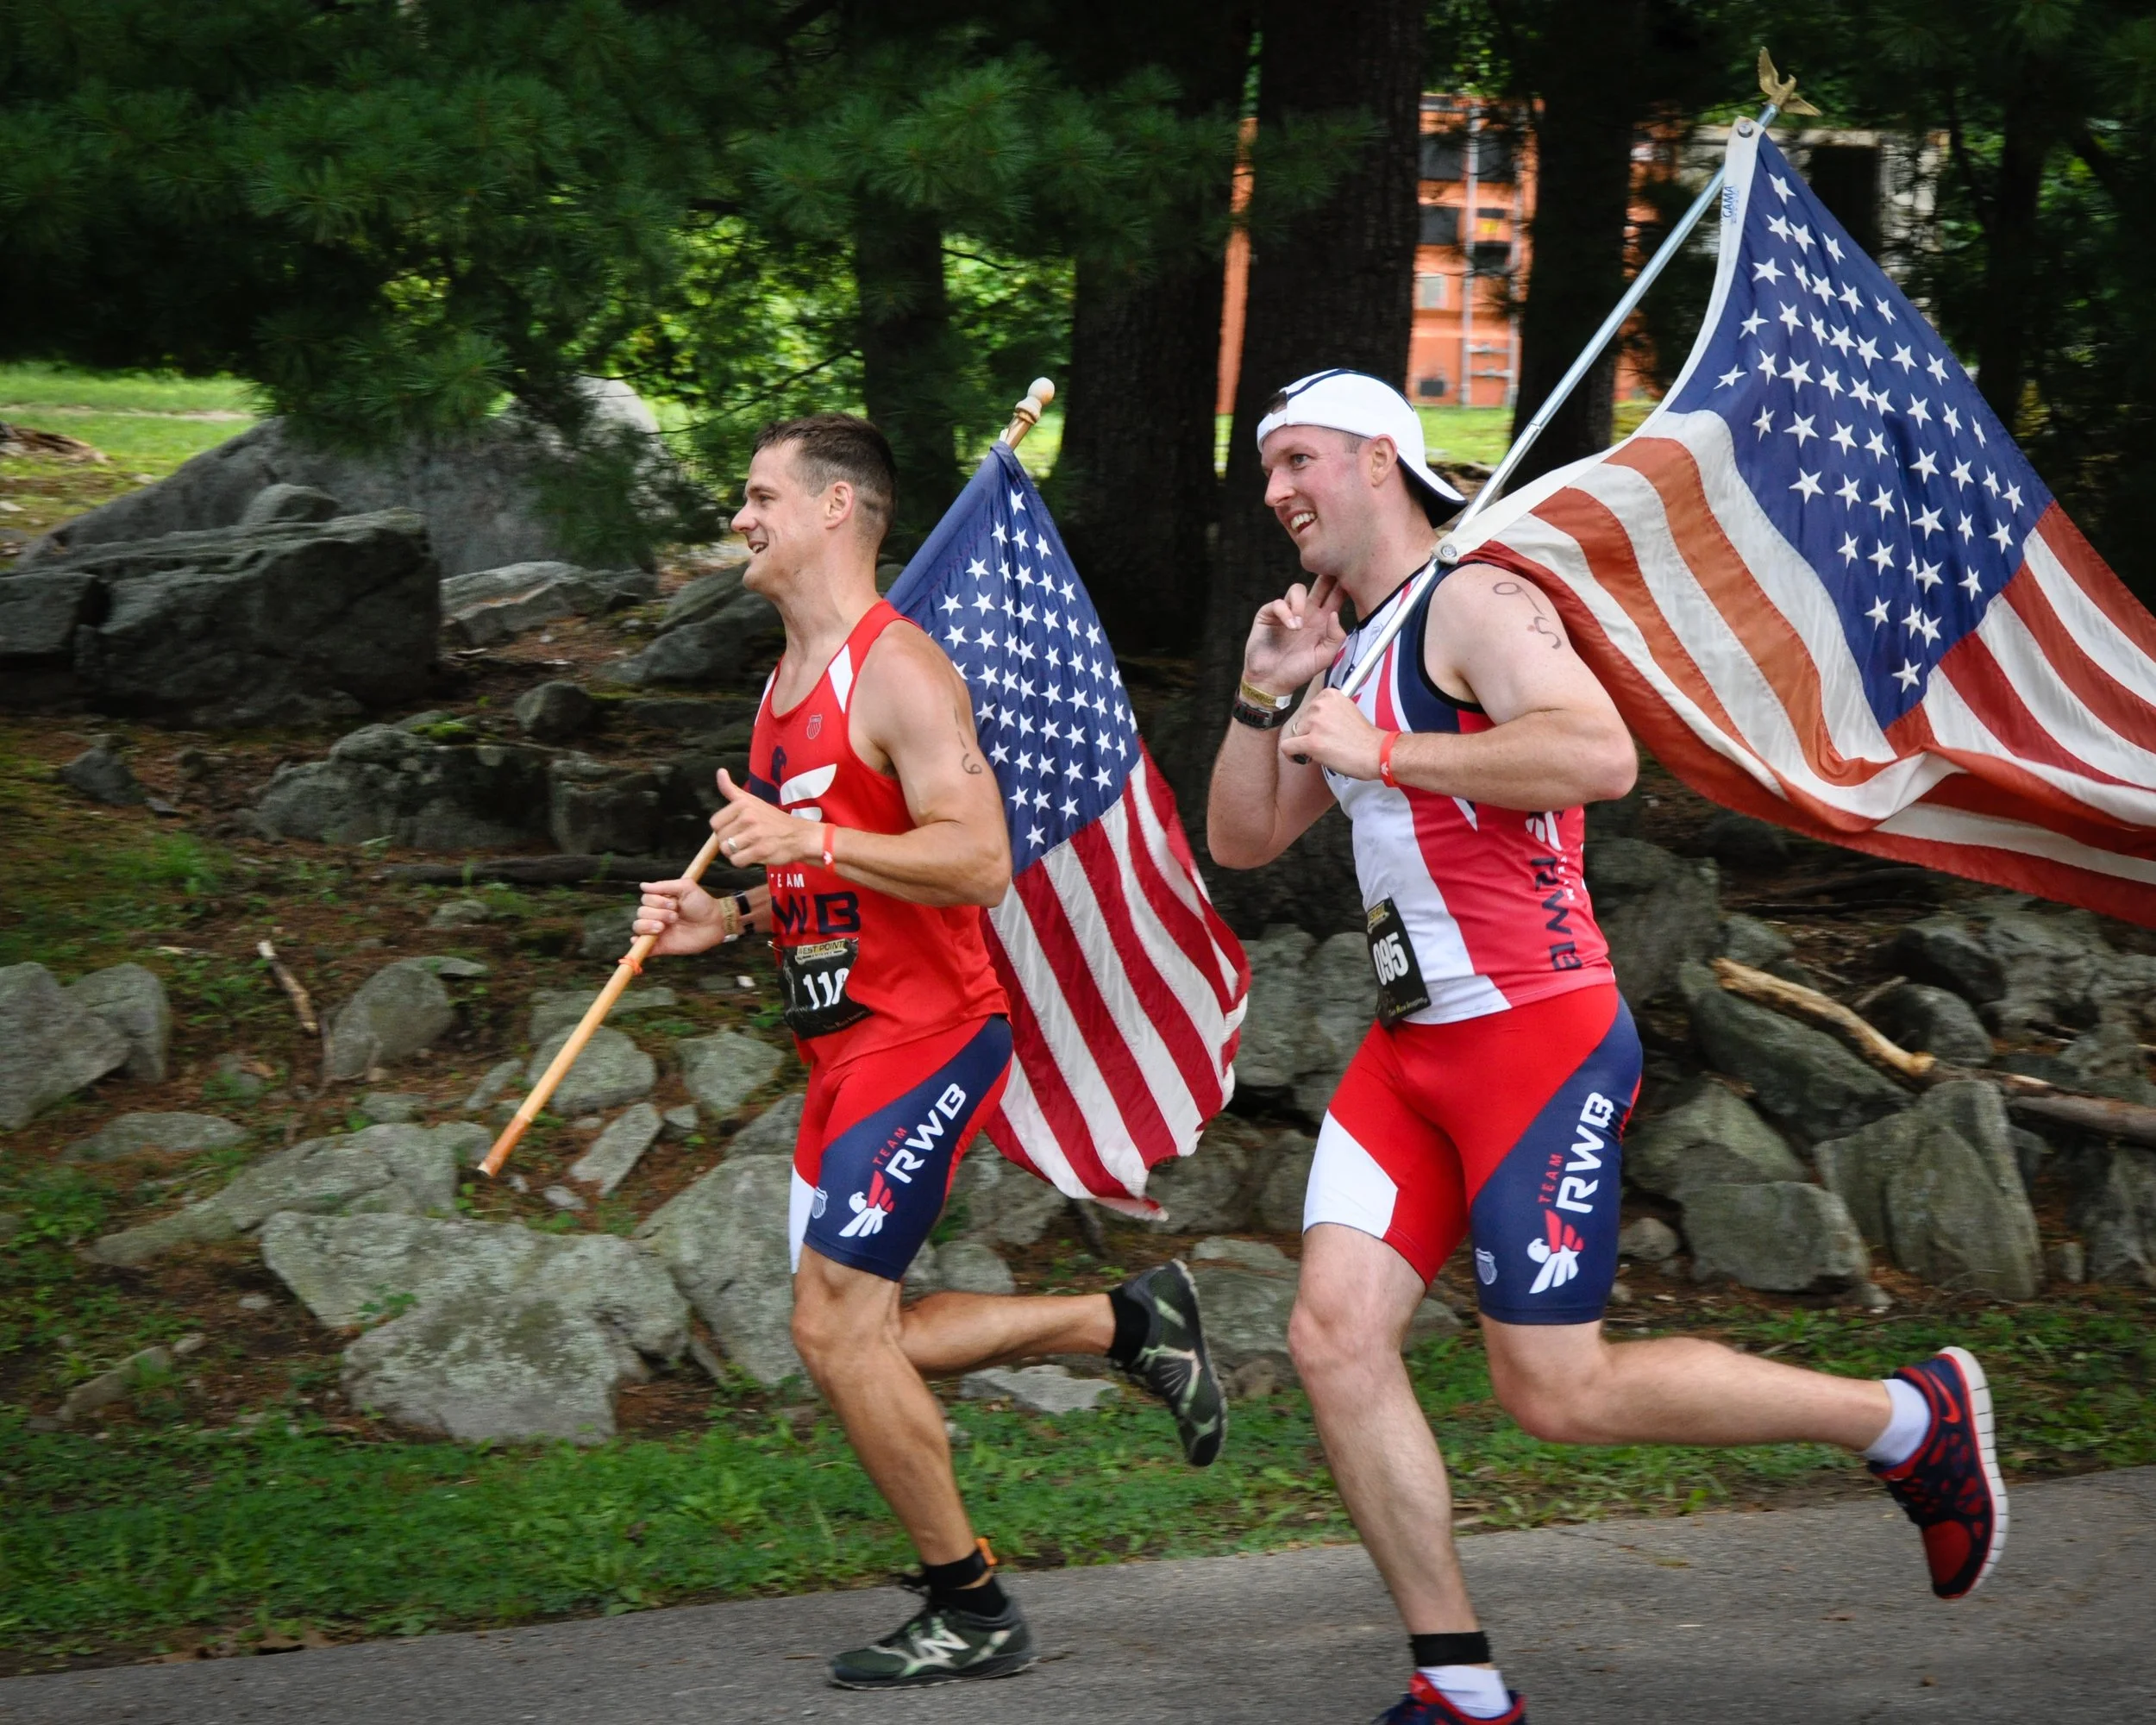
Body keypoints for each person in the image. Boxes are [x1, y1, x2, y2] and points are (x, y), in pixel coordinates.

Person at [1204, 370, 2007, 1725]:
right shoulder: (1345, 643)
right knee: (1335, 1339)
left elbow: (1597, 753)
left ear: (1384, 460)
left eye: (1301, 460)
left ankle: (1907, 1419)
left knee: (1556, 1393)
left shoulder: (1477, 599)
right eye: (1271, 467)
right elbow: (1242, 840)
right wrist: (1265, 695)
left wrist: (1387, 752)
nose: (1278, 488)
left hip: (1534, 1037)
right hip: (1411, 1052)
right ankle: (1457, 1682)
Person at [634, 413, 1225, 1690]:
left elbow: (977, 857)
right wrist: (722, 915)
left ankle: (973, 1605)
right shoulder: (781, 687)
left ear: (839, 508)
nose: (741, 519)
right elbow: (823, 883)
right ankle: (1125, 1324)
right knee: (856, 1329)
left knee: (833, 1327)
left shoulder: (898, 670)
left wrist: (814, 849)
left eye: (760, 496)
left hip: (930, 1037)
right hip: (841, 1050)